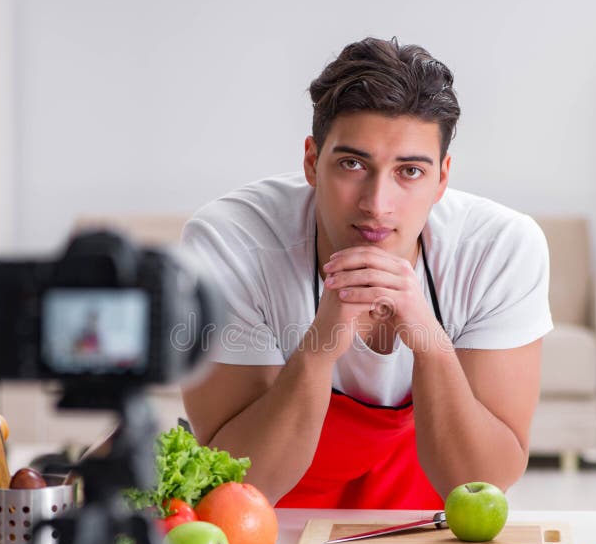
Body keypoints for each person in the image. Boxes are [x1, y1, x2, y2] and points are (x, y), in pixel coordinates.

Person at [180, 37, 552, 509]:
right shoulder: (231, 241)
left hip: (425, 514)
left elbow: (481, 482)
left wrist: (430, 341)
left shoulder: (500, 248)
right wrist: (319, 349)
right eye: (353, 164)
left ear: (442, 178)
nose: (377, 204)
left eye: (410, 171)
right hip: (274, 514)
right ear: (312, 162)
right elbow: (237, 483)